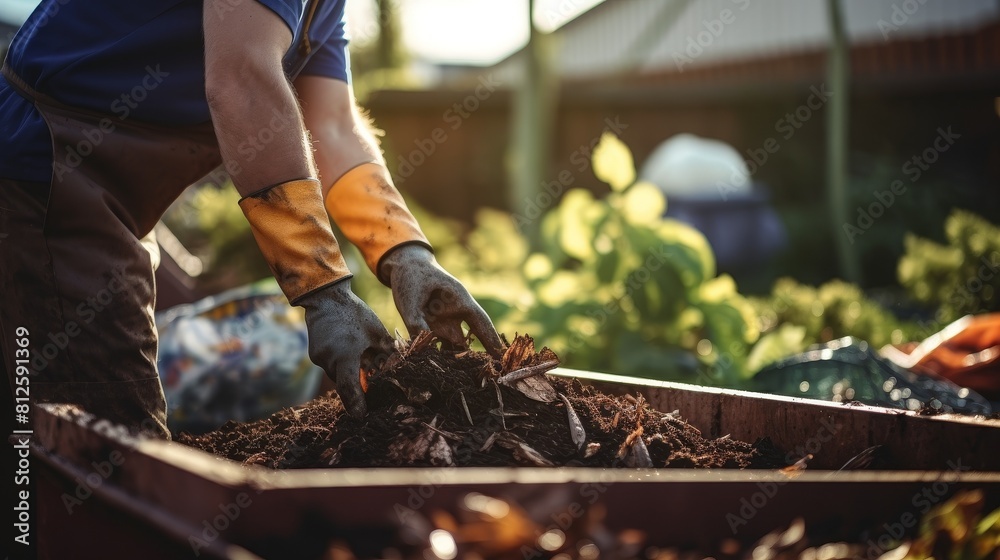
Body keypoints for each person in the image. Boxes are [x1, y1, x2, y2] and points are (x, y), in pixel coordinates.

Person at [0, 0, 505, 439]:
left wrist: (404, 254)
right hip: (45, 170)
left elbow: (331, 126)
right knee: (109, 445)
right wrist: (323, 290)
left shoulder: (322, 7)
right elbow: (241, 80)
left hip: (106, 199)